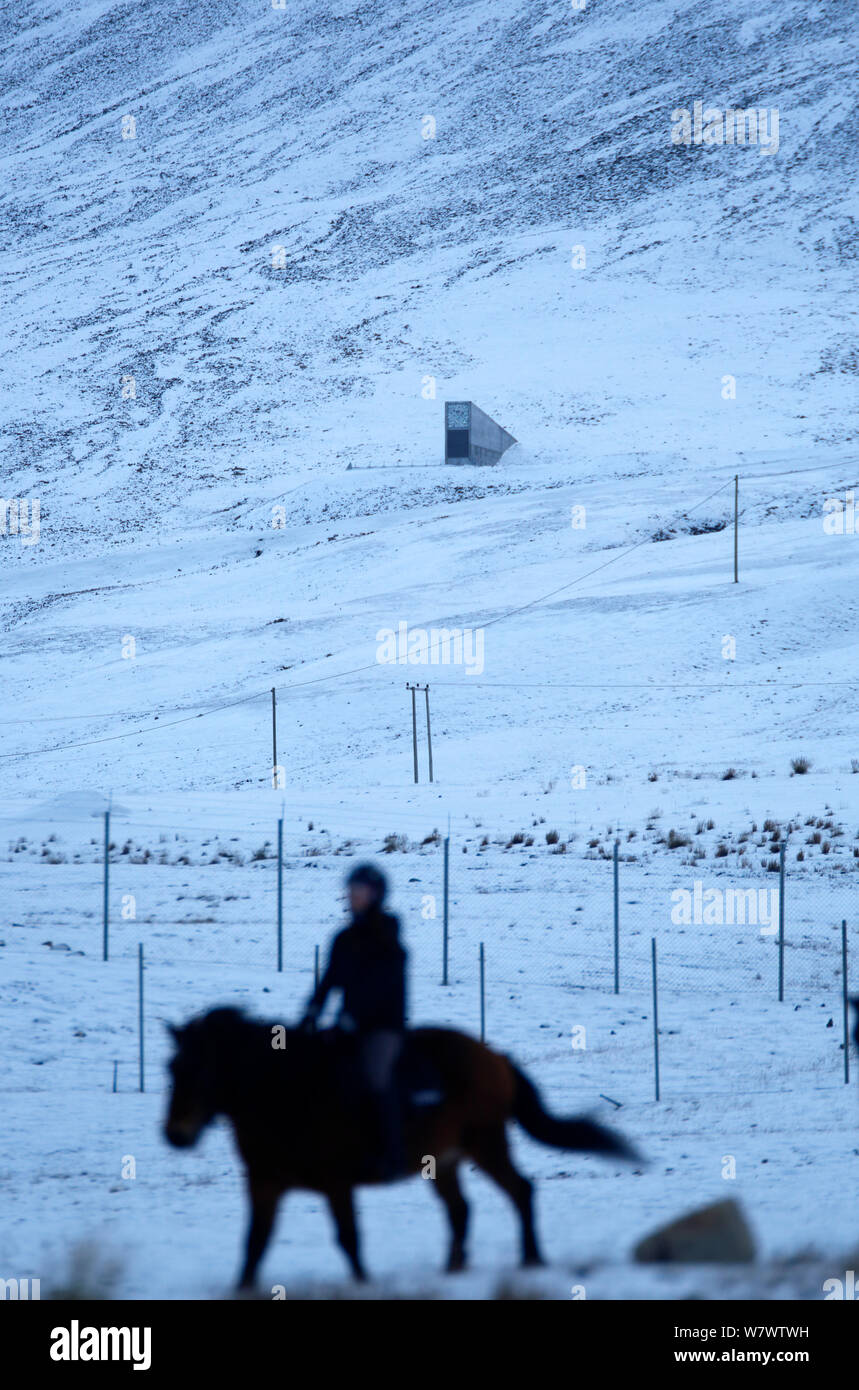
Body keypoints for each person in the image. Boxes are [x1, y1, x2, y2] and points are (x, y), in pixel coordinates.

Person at [300, 863, 407, 1180]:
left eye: (359, 892)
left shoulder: (388, 938)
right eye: (350, 891)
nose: (352, 897)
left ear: (376, 895)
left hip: (383, 1029)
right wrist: (311, 1013)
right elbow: (329, 980)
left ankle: (392, 1153)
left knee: (375, 1076)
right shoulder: (344, 938)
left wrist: (352, 1019)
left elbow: (382, 987)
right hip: (347, 1025)